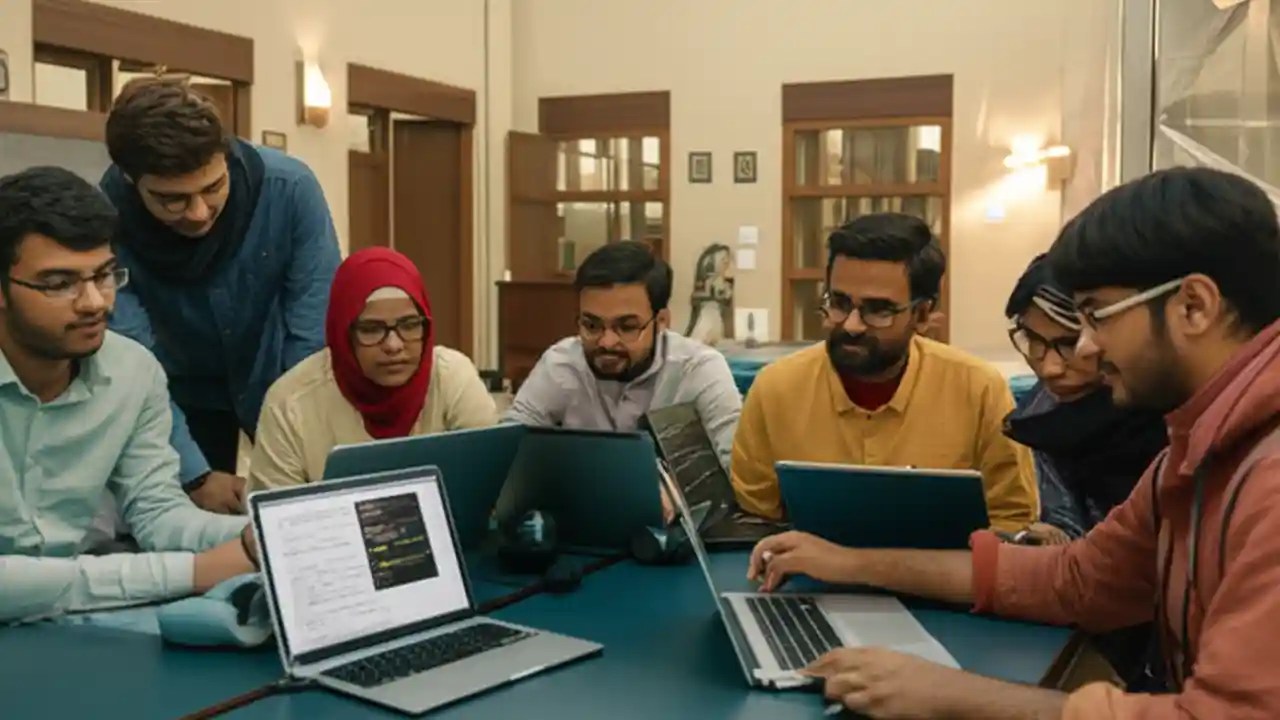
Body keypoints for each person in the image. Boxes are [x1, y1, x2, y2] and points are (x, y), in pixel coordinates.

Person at [748, 167, 1280, 719]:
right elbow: (1076, 579)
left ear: (1194, 306)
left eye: (1096, 316)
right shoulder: (1196, 445)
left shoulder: (1268, 478)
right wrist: (852, 562)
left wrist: (949, 694)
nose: (1089, 349)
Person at [0, 167, 259, 623]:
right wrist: (193, 572)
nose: (95, 302)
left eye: (103, 275)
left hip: (74, 627)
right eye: (60, 284)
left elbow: (160, 517)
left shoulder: (132, 371)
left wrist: (267, 533)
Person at [100, 76, 341, 514]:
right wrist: (192, 473)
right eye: (172, 200)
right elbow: (132, 360)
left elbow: (311, 329)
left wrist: (287, 448)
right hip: (174, 392)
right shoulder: (106, 219)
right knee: (185, 528)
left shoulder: (290, 189)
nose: (198, 213)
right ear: (132, 179)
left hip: (276, 374)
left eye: (213, 188)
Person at [730, 213, 1038, 531]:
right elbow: (755, 520)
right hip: (805, 578)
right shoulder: (775, 390)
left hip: (942, 580)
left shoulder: (979, 390)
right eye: (838, 302)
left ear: (921, 315)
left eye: (878, 310)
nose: (851, 324)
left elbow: (1012, 524)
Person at [248, 248, 497, 490]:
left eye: (410, 325)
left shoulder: (451, 377)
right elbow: (275, 523)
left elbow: (492, 484)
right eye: (371, 329)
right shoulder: (289, 404)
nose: (393, 345)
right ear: (343, 334)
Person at [505, 241, 741, 469]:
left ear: (661, 322)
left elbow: (738, 469)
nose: (606, 342)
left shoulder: (698, 369)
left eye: (626, 327)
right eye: (591, 325)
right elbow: (503, 451)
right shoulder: (561, 365)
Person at [1004, 254, 1168, 546]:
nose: (1048, 368)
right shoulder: (1042, 418)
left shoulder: (1176, 428)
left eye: (1069, 344)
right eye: (1032, 341)